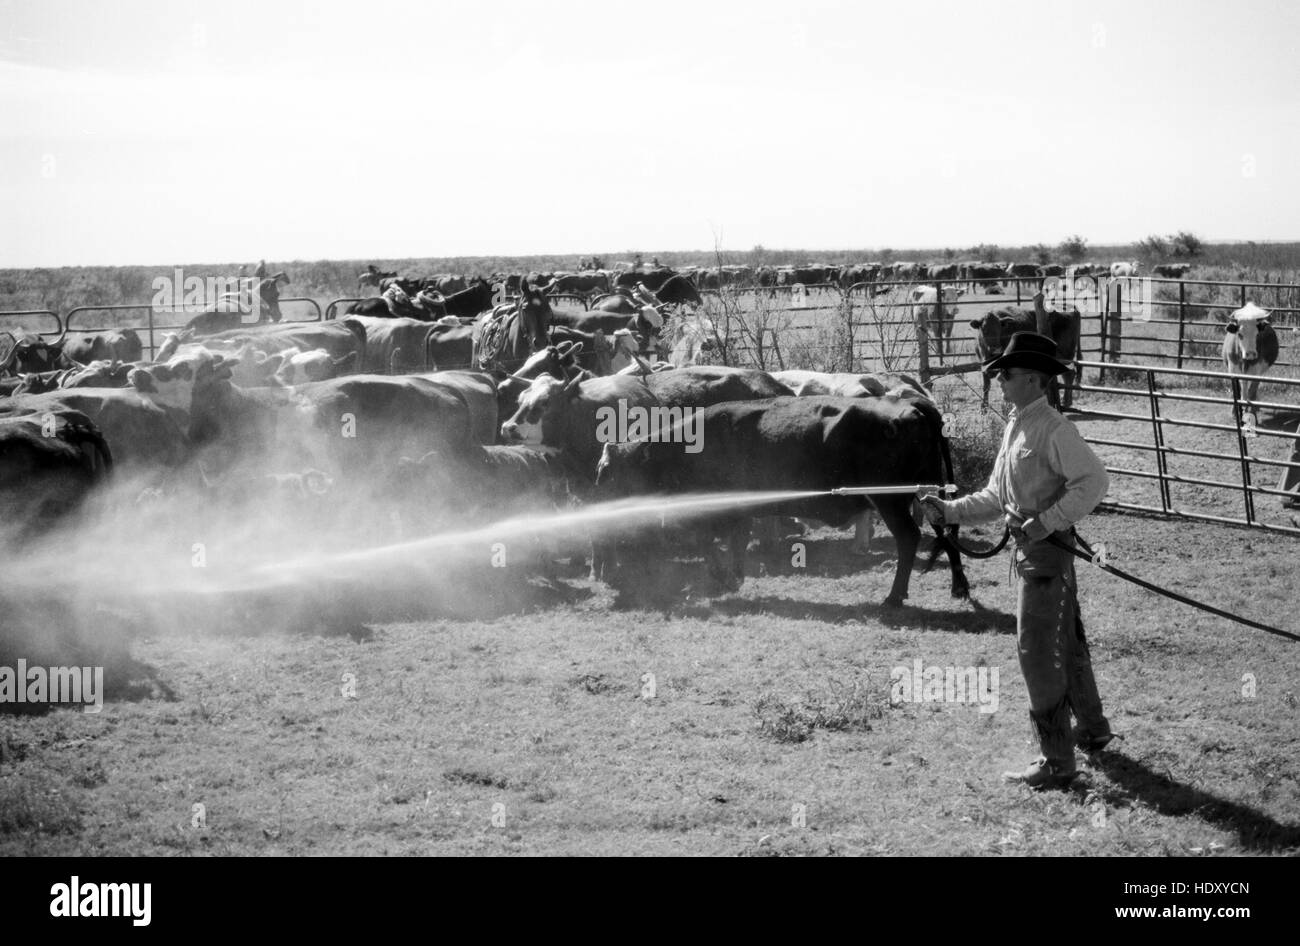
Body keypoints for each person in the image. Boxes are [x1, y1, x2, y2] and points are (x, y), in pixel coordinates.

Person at [921, 330, 1114, 790]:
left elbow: (1093, 481)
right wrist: (949, 511)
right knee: (1065, 642)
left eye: (1005, 374)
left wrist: (1047, 521)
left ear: (1033, 379)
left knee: (1037, 653)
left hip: (1046, 555)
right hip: (1036, 553)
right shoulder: (1016, 424)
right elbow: (996, 495)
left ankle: (1057, 761)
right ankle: (1093, 729)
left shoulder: (1054, 429)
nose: (999, 381)